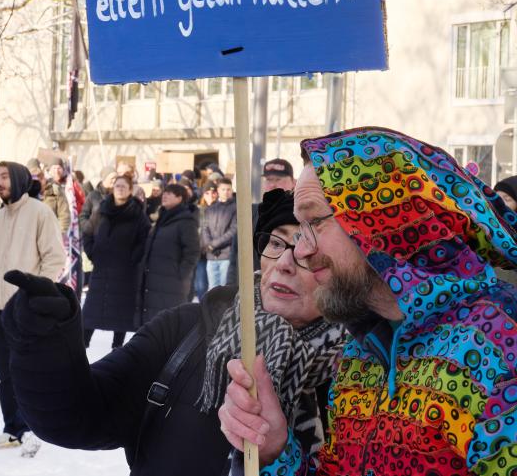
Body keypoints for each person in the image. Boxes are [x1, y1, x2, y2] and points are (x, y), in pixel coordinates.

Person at [219, 127, 517, 476]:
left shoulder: (498, 342)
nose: (301, 250)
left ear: (383, 219)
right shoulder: (362, 354)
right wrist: (275, 451)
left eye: (314, 221)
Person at [1, 189, 346, 476]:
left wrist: (278, 455)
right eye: (275, 243)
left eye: (305, 249)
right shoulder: (190, 328)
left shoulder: (361, 365)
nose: (285, 262)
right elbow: (82, 413)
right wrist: (45, 341)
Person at [0, 161, 66, 457]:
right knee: (5, 374)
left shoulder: (39, 213)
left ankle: (33, 429)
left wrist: (33, 294)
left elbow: (54, 258)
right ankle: (12, 428)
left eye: (5, 176)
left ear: (18, 179)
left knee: (28, 372)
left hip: (24, 309)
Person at [82, 175, 149, 349]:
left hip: (124, 273)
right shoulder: (101, 210)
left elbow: (144, 241)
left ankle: (116, 352)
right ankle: (81, 349)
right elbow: (88, 232)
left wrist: (132, 259)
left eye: (123, 186)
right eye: (117, 185)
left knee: (120, 316)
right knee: (90, 315)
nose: (120, 188)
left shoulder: (137, 214)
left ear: (130, 190)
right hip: (101, 269)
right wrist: (92, 253)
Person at [227, 158, 296, 286]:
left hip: (282, 287)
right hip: (247, 288)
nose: (272, 185)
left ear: (293, 182)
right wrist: (230, 286)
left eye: (278, 180)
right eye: (269, 180)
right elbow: (235, 254)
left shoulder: (300, 215)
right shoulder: (249, 212)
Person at [139, 183, 200, 324]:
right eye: (164, 193)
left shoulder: (186, 221)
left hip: (172, 283)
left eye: (170, 193)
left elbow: (192, 251)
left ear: (180, 198)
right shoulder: (162, 218)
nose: (164, 195)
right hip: (154, 279)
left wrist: (180, 274)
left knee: (167, 322)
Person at [202, 179, 237, 288]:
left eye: (228, 189)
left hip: (226, 256)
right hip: (211, 256)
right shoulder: (210, 208)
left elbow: (233, 231)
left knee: (223, 290)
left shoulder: (235, 208)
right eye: (223, 189)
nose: (226, 192)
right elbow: (205, 227)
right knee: (211, 290)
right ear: (218, 190)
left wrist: (214, 244)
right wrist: (208, 244)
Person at [43, 160, 71, 236]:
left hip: (56, 233)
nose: (57, 171)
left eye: (59, 168)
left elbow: (64, 215)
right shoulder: (44, 185)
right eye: (54, 168)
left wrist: (60, 234)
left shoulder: (70, 183)